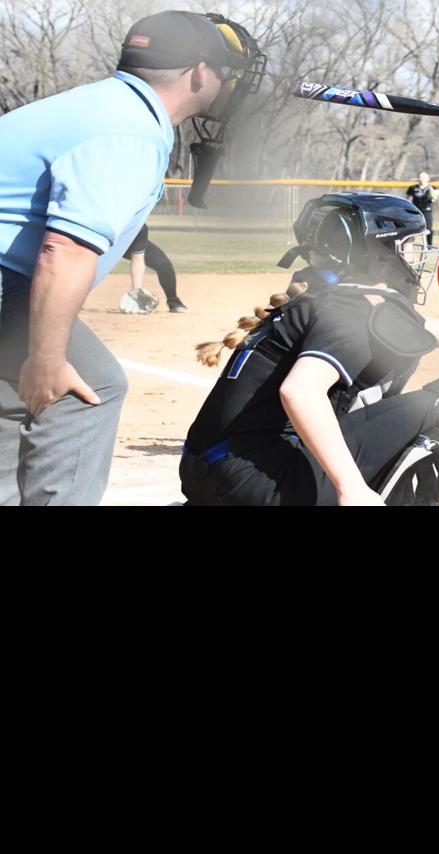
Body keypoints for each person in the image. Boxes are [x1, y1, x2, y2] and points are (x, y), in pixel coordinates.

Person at [0, 10, 264, 505]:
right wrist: (48, 359)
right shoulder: (130, 130)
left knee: (14, 393)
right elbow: (64, 250)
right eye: (225, 73)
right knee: (85, 387)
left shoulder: (103, 104)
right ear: (200, 73)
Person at [181, 193, 439, 506]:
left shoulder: (337, 297)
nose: (417, 257)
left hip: (215, 472)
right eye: (410, 246)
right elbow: (300, 392)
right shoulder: (351, 311)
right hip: (253, 480)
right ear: (377, 254)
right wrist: (350, 488)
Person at [117, 225, 192, 314]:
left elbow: (137, 258)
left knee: (163, 263)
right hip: (103, 239)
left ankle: (173, 301)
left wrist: (137, 293)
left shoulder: (139, 226)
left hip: (129, 237)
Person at [405, 171, 437, 245]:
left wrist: (433, 196)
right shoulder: (412, 188)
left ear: (428, 178)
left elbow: (434, 199)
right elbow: (408, 199)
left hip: (427, 210)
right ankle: (408, 244)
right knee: (410, 228)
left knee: (428, 228)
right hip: (415, 210)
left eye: (423, 177)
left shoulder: (432, 187)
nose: (421, 178)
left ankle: (429, 245)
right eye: (420, 177)